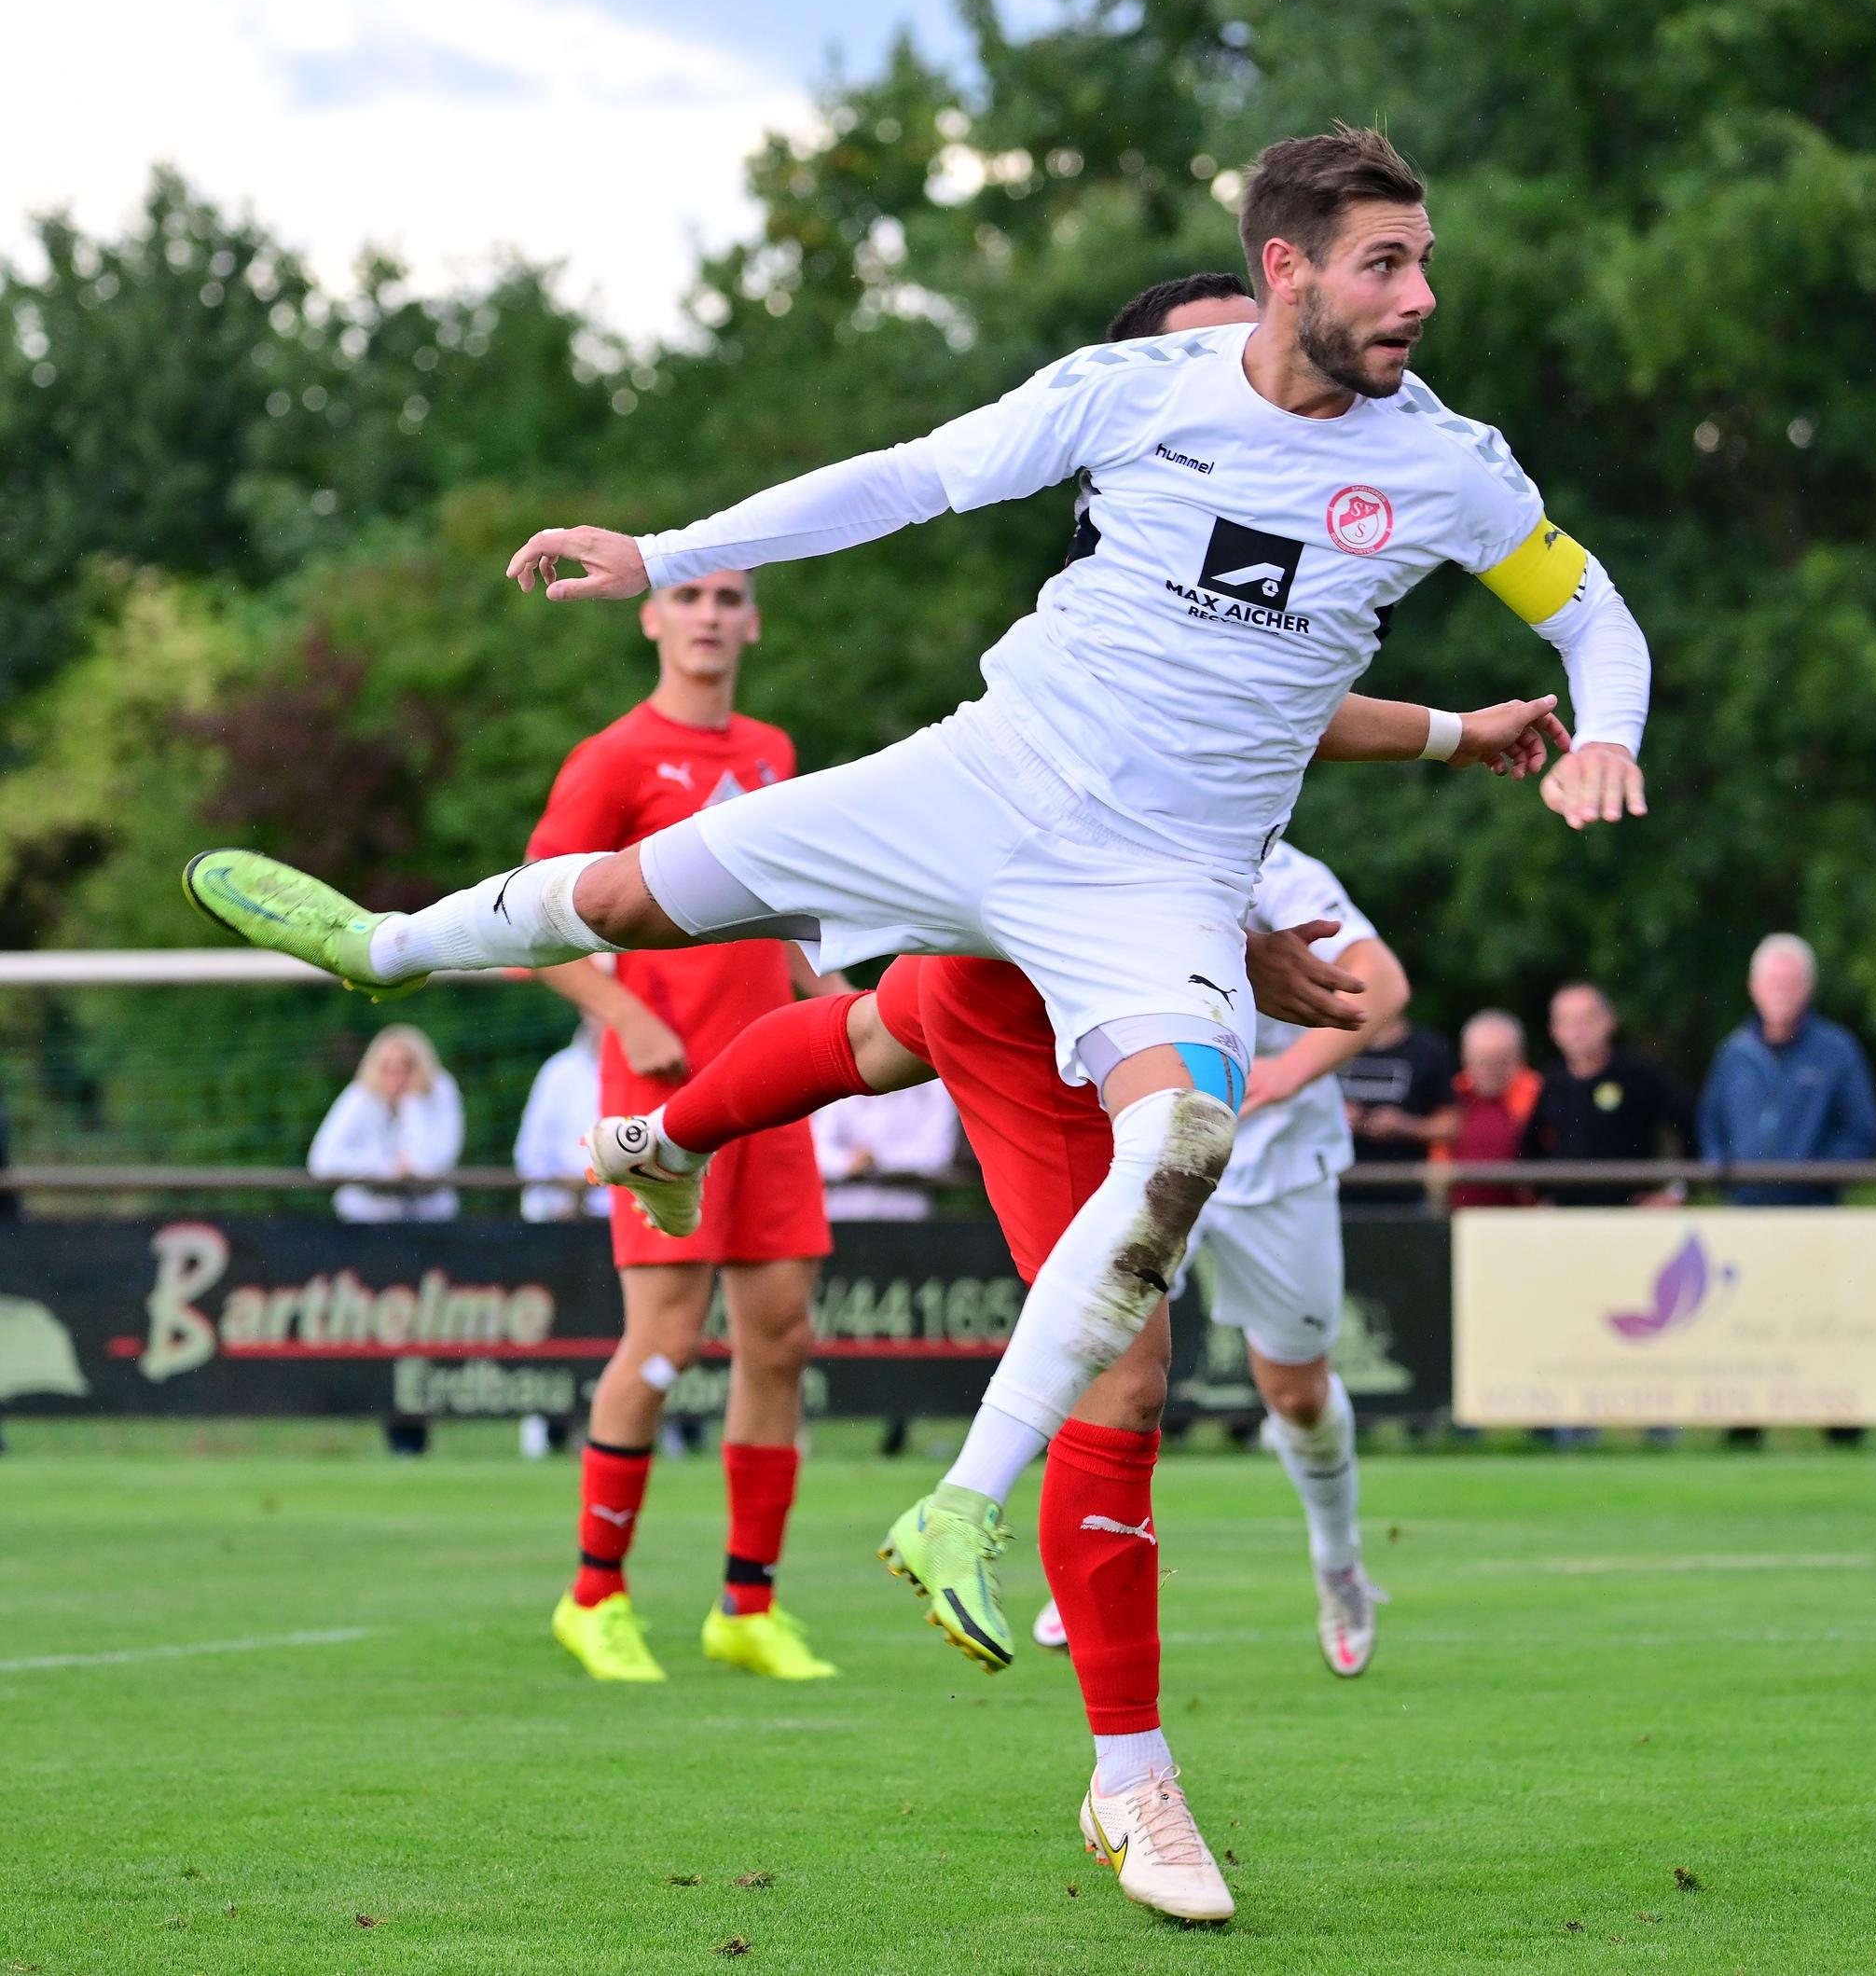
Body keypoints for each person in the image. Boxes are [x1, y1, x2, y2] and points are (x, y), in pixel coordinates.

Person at [185, 235, 1619, 1928]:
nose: (1257, 375)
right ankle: (1117, 1751)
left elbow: (1263, 715)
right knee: (993, 1162)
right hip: (1027, 884)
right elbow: (1056, 616)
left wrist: (1439, 756)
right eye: (1222, 340)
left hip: (1124, 901)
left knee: (906, 1063)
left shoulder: (1337, 490)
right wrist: (668, 545)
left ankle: (689, 1180)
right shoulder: (1144, 455)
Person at [517, 565, 847, 1688]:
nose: (709, 615)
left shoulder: (770, 750)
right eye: (689, 596)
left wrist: (843, 1015)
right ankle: (594, 1597)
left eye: (729, 597)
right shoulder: (612, 758)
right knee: (662, 1341)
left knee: (783, 1337)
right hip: (659, 1098)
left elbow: (799, 925)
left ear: (752, 621)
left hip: (773, 1093)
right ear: (651, 617)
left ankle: (745, 1608)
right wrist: (622, 1010)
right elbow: (532, 922)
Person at [1031, 837, 1407, 1676]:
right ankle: (1085, 1557)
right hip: (1156, 1148)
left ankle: (1339, 1559)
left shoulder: (1281, 871)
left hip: (1276, 1167)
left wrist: (1284, 1075)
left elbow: (1383, 983)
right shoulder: (1114, 855)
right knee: (1109, 1361)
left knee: (1297, 1396)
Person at [1696, 934, 1876, 1206]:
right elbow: (1710, 1122)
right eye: (1774, 983)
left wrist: (1819, 1175)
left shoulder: (1836, 1051)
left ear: (1808, 988)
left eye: (1790, 983)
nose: (1781, 993)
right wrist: (1720, 1167)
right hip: (1743, 1214)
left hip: (1811, 1215)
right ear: (1754, 986)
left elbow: (1863, 1130)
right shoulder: (1734, 1052)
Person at [1525, 981, 1691, 1206]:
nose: (1578, 1030)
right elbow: (1528, 1148)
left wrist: (1676, 1192)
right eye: (1567, 1021)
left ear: (1609, 1021)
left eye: (1588, 1019)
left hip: (1629, 1219)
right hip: (1566, 1223)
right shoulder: (1552, 1083)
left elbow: (1691, 1126)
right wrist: (1542, 1198)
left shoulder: (1640, 1075)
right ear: (1554, 1031)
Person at [307, 1025, 463, 1223]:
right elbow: (322, 1161)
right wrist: (385, 1169)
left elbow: (435, 1162)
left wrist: (411, 1104)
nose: (396, 1077)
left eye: (406, 1067)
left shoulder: (439, 1090)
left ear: (420, 1068)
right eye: (387, 1068)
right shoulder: (361, 1094)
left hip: (430, 1221)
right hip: (366, 1223)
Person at [1339, 1011, 1458, 1205]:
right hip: (1337, 1192)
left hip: (1407, 1196)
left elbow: (1451, 1125)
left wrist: (1404, 1126)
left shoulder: (1428, 1049)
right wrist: (1336, 1119)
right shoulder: (1331, 1045)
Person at [811, 1080, 960, 1220]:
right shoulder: (843, 1079)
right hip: (844, 1211)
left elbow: (935, 1155)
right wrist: (847, 1162)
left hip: (906, 1213)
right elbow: (817, 1148)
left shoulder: (934, 1087)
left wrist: (877, 1159)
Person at [516, 1014, 614, 1223]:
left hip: (632, 1217)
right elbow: (532, 1153)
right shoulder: (559, 1072)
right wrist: (551, 1205)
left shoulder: (647, 1068)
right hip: (564, 1218)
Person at [1443, 1010, 1539, 1209]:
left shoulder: (1540, 1096)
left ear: (1519, 1058)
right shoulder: (1450, 1097)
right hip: (1456, 1217)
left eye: (1500, 1061)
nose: (1490, 1070)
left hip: (1523, 1218)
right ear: (1465, 1058)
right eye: (1482, 1061)